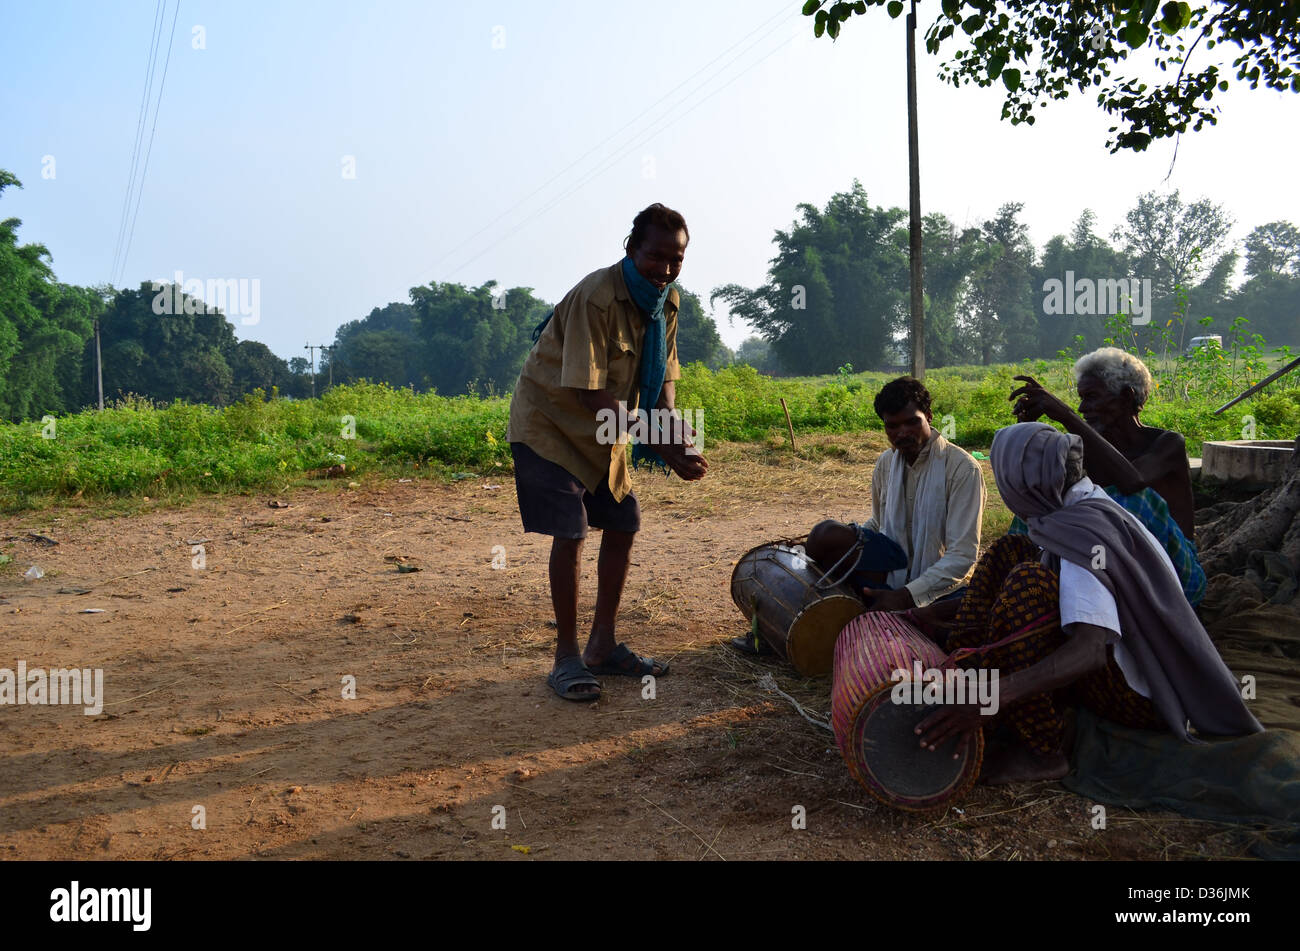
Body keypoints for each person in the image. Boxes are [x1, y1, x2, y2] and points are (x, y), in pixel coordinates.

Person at [908, 422, 1261, 785]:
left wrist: (997, 695)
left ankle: (1042, 753)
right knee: (1009, 552)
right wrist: (935, 612)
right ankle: (967, 668)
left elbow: (1089, 650)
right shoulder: (1075, 502)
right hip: (1118, 659)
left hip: (1142, 694)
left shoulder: (1081, 535)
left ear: (1026, 484)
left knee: (1026, 586)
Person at [507, 203, 708, 702]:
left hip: (609, 428)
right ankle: (567, 658)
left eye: (676, 259)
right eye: (655, 257)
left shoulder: (668, 302)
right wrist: (656, 440)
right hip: (551, 426)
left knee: (623, 521)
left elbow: (662, 383)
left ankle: (603, 645)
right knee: (571, 531)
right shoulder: (596, 298)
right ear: (631, 250)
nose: (665, 269)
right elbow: (588, 394)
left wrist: (675, 441)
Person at [734, 378, 985, 654]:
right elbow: (878, 523)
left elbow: (962, 556)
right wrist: (830, 552)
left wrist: (905, 596)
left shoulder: (962, 468)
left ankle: (879, 620)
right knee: (824, 537)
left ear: (929, 416)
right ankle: (779, 632)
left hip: (940, 587)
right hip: (893, 563)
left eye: (912, 422)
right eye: (893, 426)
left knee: (957, 633)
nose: (903, 433)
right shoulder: (886, 462)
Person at [1009, 347, 1196, 540]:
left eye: (1091, 397)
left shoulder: (1169, 444)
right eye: (1081, 399)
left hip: (1170, 560)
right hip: (1117, 553)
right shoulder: (1091, 450)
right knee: (1039, 509)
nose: (1082, 408)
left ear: (1126, 397)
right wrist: (1027, 428)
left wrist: (1066, 415)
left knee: (1128, 502)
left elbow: (1132, 481)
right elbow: (1047, 488)